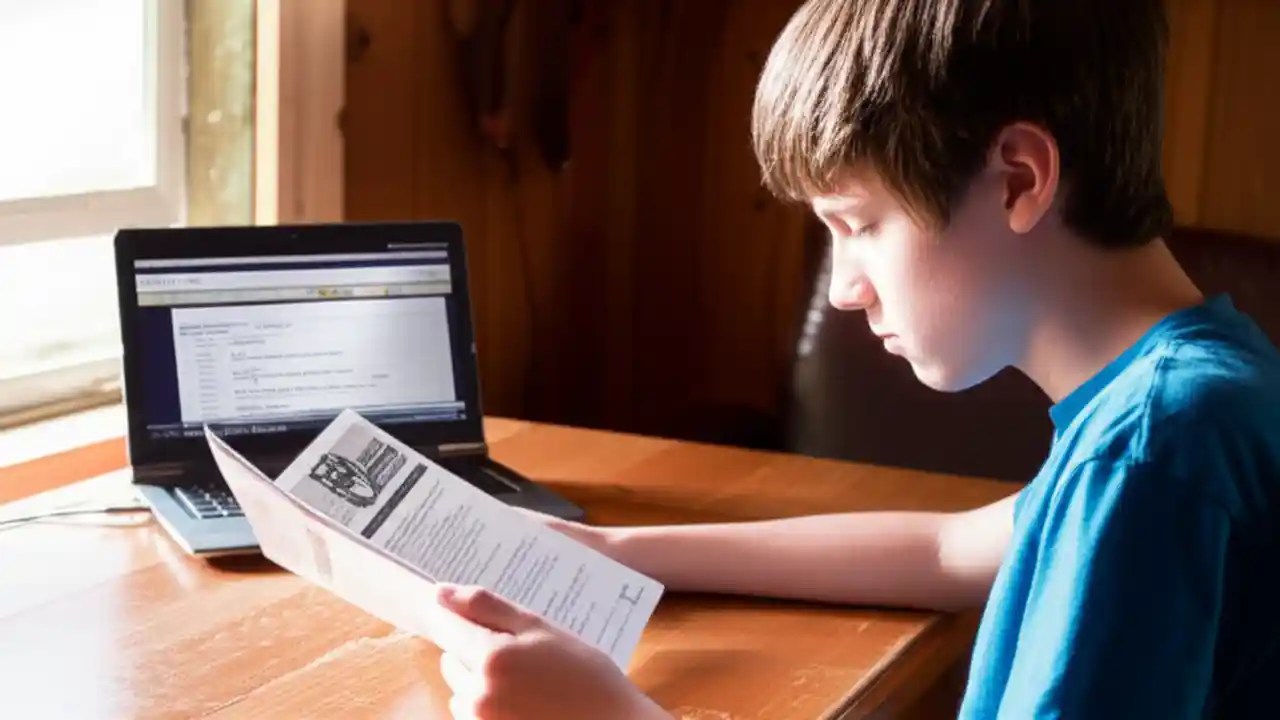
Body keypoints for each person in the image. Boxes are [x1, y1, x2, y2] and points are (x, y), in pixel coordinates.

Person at [421, 0, 1280, 717]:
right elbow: (946, 552)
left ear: (1019, 179)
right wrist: (622, 549)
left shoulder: (1150, 452)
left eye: (859, 223)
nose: (843, 288)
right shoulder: (1192, 393)